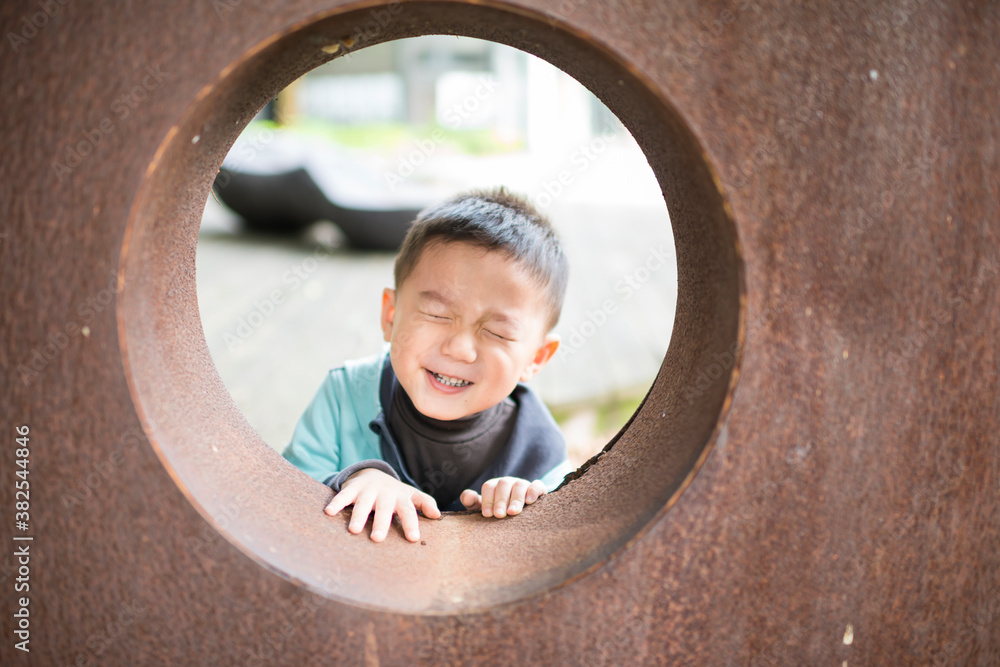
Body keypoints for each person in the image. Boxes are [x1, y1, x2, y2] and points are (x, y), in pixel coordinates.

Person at [283, 187, 574, 543]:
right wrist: (356, 479)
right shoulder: (345, 396)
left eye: (497, 332)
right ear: (391, 315)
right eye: (437, 314)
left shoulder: (539, 450)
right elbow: (286, 496)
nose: (459, 349)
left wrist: (525, 506)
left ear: (536, 358)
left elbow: (558, 539)